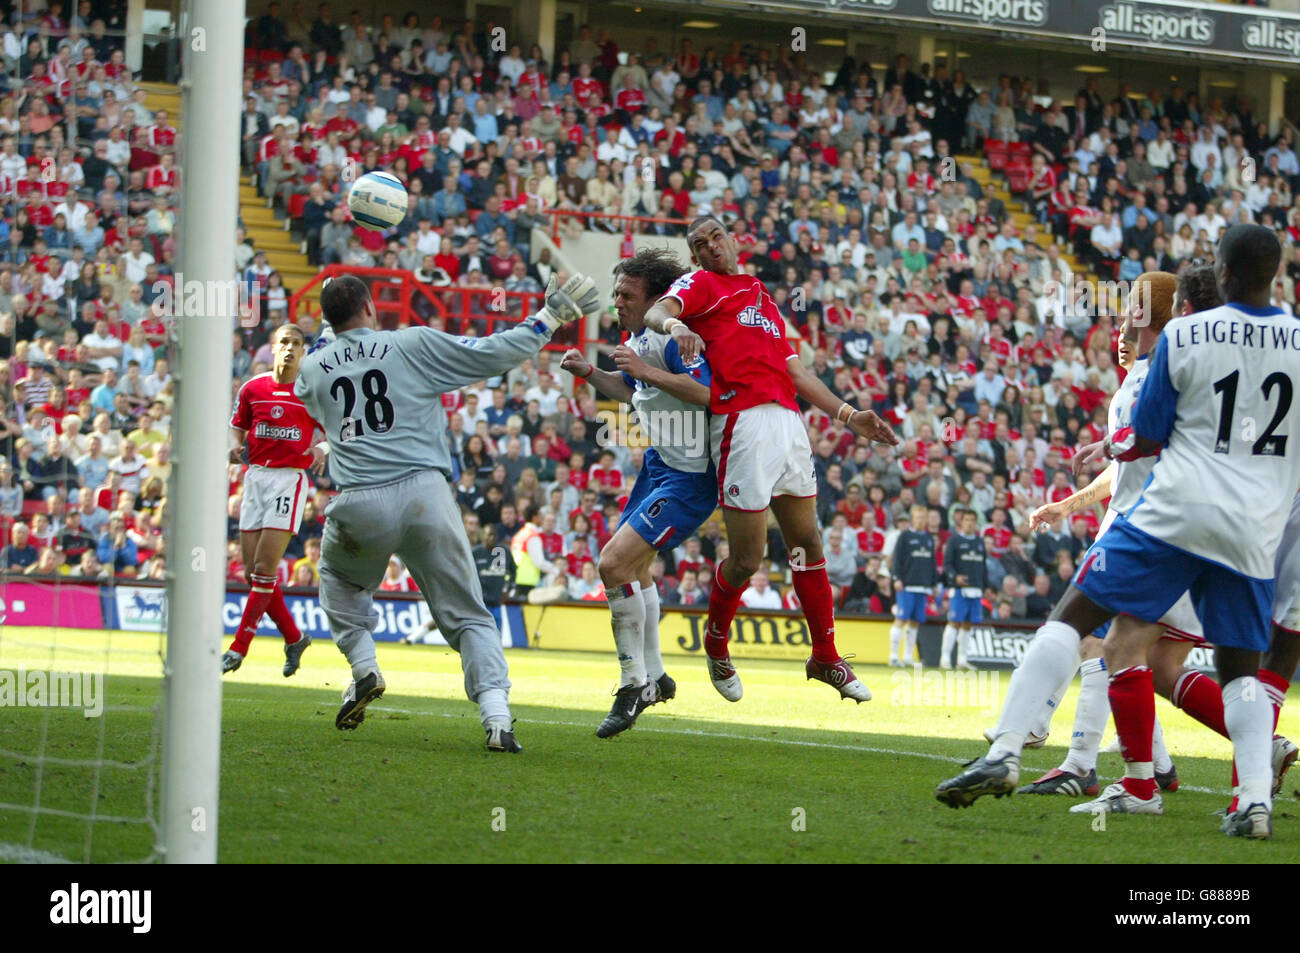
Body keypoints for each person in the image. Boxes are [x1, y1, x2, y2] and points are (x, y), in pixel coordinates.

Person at [937, 226, 1300, 839]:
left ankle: (1005, 751)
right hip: (1255, 529)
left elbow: (1149, 434)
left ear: (1226, 272)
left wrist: (1109, 445)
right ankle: (1253, 806)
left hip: (1174, 514)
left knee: (1072, 619)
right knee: (1240, 668)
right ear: (1275, 274)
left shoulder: (1187, 332)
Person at [293, 271, 598, 753]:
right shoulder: (410, 342)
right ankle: (497, 719)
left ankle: (364, 667)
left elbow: (310, 399)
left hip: (360, 500)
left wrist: (328, 348)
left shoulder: (313, 368)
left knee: (341, 582)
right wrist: (549, 318)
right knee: (468, 614)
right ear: (371, 309)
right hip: (425, 494)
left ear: (328, 319)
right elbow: (490, 354)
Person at [641, 215, 897, 703]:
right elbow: (659, 310)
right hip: (743, 422)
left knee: (807, 544)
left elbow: (795, 371)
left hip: (787, 422)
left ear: (734, 238)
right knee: (747, 558)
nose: (712, 246)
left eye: (717, 236)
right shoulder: (700, 283)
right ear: (695, 255)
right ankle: (715, 642)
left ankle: (825, 656)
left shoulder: (760, 294)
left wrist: (847, 415)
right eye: (701, 243)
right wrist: (676, 326)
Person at [561, 249, 715, 737]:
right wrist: (590, 373)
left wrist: (644, 371)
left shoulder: (673, 342)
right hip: (659, 464)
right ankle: (656, 676)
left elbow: (708, 394)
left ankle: (633, 685)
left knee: (612, 564)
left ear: (655, 300)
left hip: (691, 477)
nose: (616, 304)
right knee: (637, 570)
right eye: (616, 295)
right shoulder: (636, 339)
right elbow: (633, 390)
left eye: (626, 296)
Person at [222, 323, 326, 677]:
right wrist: (233, 444)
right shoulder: (253, 387)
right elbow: (237, 424)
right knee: (253, 573)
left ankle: (239, 647)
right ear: (273, 346)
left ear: (304, 351)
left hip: (289, 479)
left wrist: (321, 448)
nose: (290, 348)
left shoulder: (312, 390)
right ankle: (295, 638)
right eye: (284, 342)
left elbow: (337, 429)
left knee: (265, 570)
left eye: (297, 343)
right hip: (255, 478)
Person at [889, 507, 936, 666]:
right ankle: (893, 656)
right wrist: (896, 577)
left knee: (915, 621)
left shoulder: (929, 538)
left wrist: (934, 582)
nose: (920, 521)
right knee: (901, 618)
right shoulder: (905, 536)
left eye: (923, 517)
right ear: (912, 519)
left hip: (922, 586)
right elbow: (897, 559)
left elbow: (932, 563)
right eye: (917, 517)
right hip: (906, 585)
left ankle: (908, 656)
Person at [941, 508, 986, 670]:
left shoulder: (980, 542)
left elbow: (983, 566)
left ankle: (962, 660)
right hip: (959, 589)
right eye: (966, 520)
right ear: (961, 522)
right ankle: (945, 658)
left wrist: (984, 585)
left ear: (976, 523)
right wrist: (955, 577)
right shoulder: (954, 541)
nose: (969, 523)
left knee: (968, 624)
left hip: (975, 589)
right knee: (954, 622)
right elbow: (947, 564)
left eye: (972, 520)